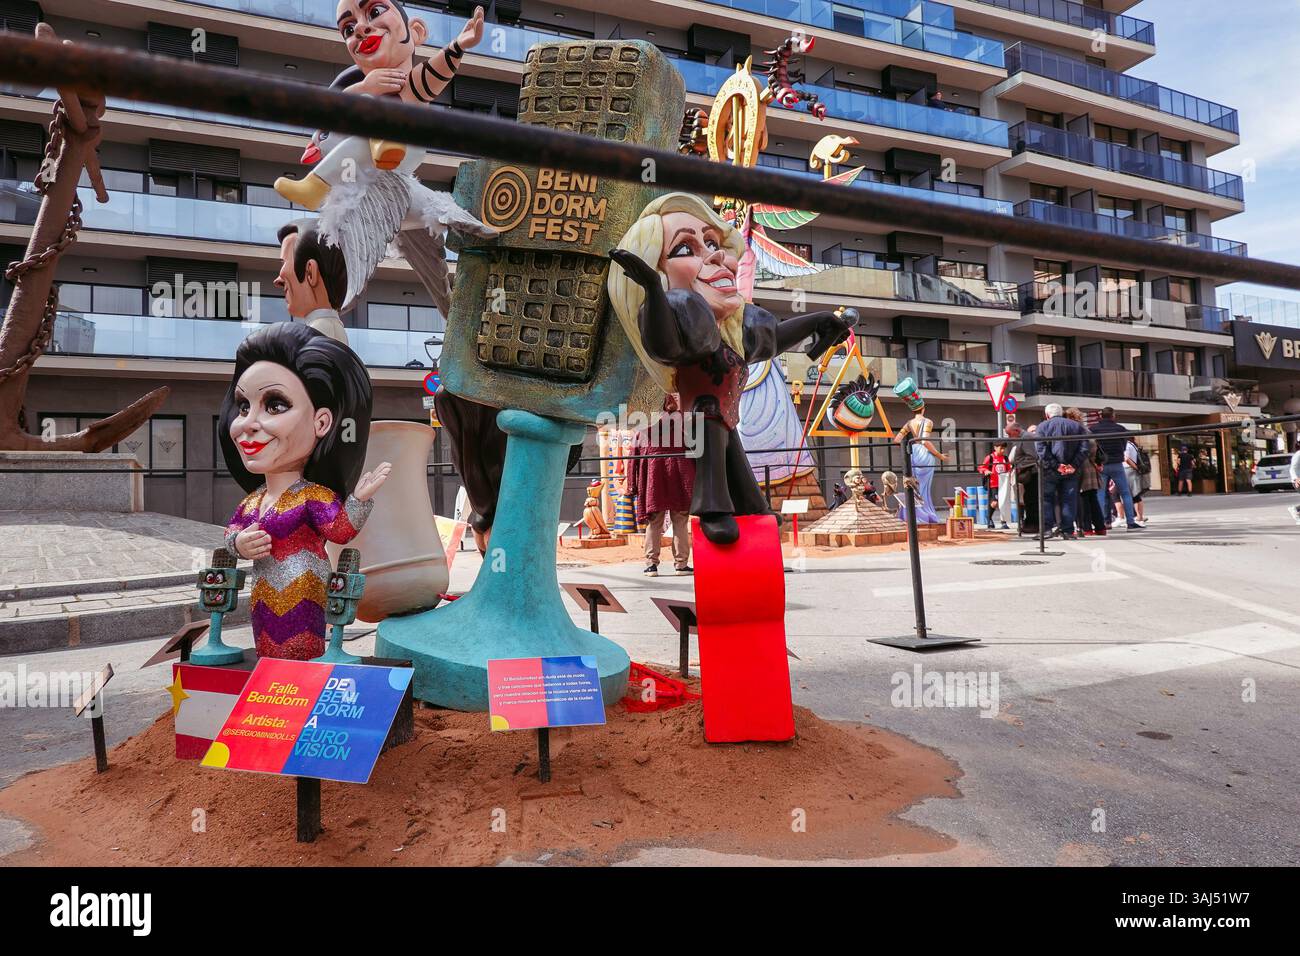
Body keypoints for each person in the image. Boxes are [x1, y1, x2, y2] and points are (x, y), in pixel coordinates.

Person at [608, 192, 854, 544]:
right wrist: (652, 289)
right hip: (704, 412)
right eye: (685, 249)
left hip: (726, 413)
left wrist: (817, 321)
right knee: (711, 445)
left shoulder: (734, 328)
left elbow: (772, 340)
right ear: (659, 272)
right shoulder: (681, 315)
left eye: (712, 242)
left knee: (734, 457)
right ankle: (712, 507)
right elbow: (666, 344)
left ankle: (751, 505)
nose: (717, 255)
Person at [219, 323, 391, 660]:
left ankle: (301, 691)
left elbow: (339, 531)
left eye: (275, 405)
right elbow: (232, 530)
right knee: (267, 649)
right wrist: (238, 542)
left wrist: (360, 499)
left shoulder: (313, 497)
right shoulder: (252, 501)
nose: (248, 423)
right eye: (243, 406)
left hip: (306, 591)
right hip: (263, 591)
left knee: (303, 655)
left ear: (321, 423)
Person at [275, 3, 485, 210]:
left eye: (375, 12)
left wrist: (458, 46)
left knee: (365, 122)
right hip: (358, 169)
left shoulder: (408, 84)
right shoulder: (356, 84)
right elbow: (329, 108)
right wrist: (365, 86)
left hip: (406, 146)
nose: (359, 28)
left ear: (416, 32)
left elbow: (432, 75)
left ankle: (317, 185)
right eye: (348, 29)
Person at [627, 393, 695, 577]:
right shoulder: (684, 420)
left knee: (654, 522)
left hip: (653, 475)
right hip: (680, 473)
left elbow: (633, 455)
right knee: (680, 520)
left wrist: (632, 484)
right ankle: (681, 564)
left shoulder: (645, 422)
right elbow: (695, 449)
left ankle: (651, 565)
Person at [275, 220, 350, 344]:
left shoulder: (316, 335)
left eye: (284, 263)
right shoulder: (329, 328)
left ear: (310, 272)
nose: (278, 280)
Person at [1035, 403, 1089, 540]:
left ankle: (1047, 529)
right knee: (1069, 499)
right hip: (1071, 470)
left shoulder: (1042, 427)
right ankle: (1068, 531)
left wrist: (1056, 465)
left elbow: (1041, 450)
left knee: (1046, 498)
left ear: (1047, 415)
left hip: (1050, 470)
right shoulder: (1077, 426)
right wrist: (1072, 465)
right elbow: (1084, 448)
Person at [1090, 406, 1141, 530]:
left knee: (1100, 494)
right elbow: (1124, 445)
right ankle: (1130, 522)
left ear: (1101, 416)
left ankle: (1102, 523)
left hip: (1101, 465)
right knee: (1125, 493)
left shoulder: (1093, 429)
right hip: (1117, 464)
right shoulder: (1120, 428)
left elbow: (1091, 445)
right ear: (1113, 416)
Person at [1009, 423, 1038, 534]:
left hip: (1032, 473)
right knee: (1027, 499)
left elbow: (1032, 457)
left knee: (1031, 499)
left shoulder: (1026, 437)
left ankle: (1033, 524)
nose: (1009, 436)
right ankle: (1030, 523)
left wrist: (1020, 467)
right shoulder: (1022, 438)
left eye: (1009, 433)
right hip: (1027, 473)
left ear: (1016, 430)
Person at [979, 441, 1012, 530]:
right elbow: (981, 467)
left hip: (1003, 484)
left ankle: (1004, 522)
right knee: (994, 503)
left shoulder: (1005, 458)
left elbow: (1009, 468)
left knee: (1003, 503)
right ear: (995, 447)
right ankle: (989, 518)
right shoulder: (990, 457)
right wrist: (986, 471)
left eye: (1004, 448)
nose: (1002, 450)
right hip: (993, 484)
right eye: (1001, 448)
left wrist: (1010, 472)